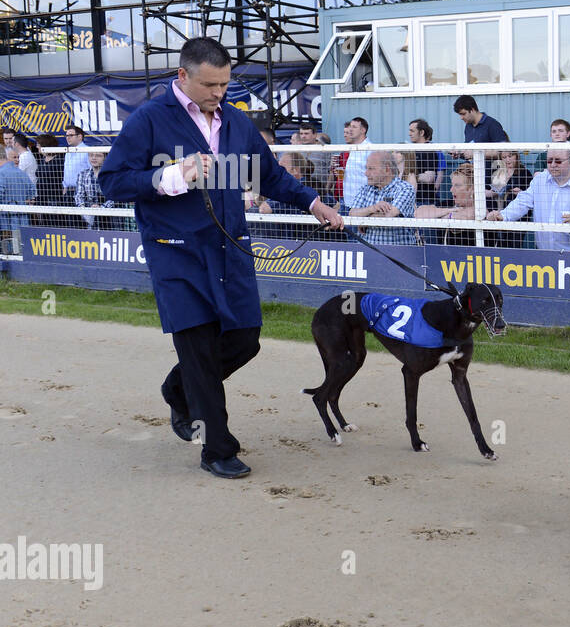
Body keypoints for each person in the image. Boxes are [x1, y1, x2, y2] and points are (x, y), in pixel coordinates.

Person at [98, 36, 343, 479]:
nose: (218, 93)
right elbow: (112, 182)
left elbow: (268, 175)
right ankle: (218, 448)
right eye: (210, 85)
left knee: (245, 340)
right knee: (199, 350)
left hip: (231, 250)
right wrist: (172, 174)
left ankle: (178, 390)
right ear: (182, 76)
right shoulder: (150, 119)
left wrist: (313, 204)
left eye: (225, 84)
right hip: (176, 255)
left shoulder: (236, 121)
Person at [485, 147, 570, 252]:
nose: (553, 164)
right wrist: (503, 215)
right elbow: (523, 201)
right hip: (542, 259)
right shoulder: (540, 180)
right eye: (549, 161)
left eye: (558, 161)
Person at [352, 151, 416, 246]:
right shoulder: (365, 189)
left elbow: (389, 215)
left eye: (371, 169)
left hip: (398, 252)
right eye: (366, 168)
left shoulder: (405, 188)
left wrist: (364, 221)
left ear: (386, 169)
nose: (366, 173)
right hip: (367, 251)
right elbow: (352, 214)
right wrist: (373, 208)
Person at [406, 118, 446, 208]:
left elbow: (439, 174)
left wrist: (433, 192)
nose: (409, 134)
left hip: (426, 199)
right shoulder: (410, 150)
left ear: (421, 133)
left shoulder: (432, 150)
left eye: (412, 131)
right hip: (412, 199)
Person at [0, 144, 33, 254]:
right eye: (14, 157)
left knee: (8, 252)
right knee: (20, 250)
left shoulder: (2, 173)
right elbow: (32, 196)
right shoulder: (23, 174)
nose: (17, 160)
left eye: (17, 157)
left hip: (6, 222)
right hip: (22, 220)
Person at [454, 95, 509, 159]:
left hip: (490, 168)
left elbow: (503, 151)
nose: (461, 118)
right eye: (460, 115)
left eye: (463, 114)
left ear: (472, 109)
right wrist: (459, 153)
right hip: (471, 167)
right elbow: (469, 151)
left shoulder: (492, 124)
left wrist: (476, 153)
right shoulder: (468, 126)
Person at [338, 116, 372, 211]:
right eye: (350, 126)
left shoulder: (369, 149)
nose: (350, 129)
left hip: (362, 202)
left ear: (363, 130)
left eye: (354, 127)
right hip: (347, 200)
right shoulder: (353, 148)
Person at [61, 125, 90, 199]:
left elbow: (92, 171)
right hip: (68, 192)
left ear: (79, 136)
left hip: (84, 192)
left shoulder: (88, 151)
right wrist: (65, 187)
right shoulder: (68, 151)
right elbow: (66, 171)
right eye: (66, 135)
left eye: (71, 135)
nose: (68, 137)